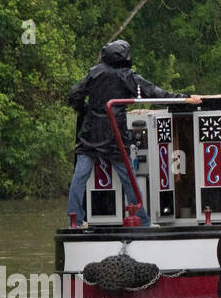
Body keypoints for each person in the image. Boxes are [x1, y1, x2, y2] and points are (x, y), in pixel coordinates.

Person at [67, 40, 199, 227]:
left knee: (79, 177)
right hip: (115, 134)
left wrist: (86, 110)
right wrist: (183, 99)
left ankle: (75, 221)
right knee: (128, 178)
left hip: (91, 133)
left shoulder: (94, 73)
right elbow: (153, 92)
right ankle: (142, 220)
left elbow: (74, 95)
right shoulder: (127, 75)